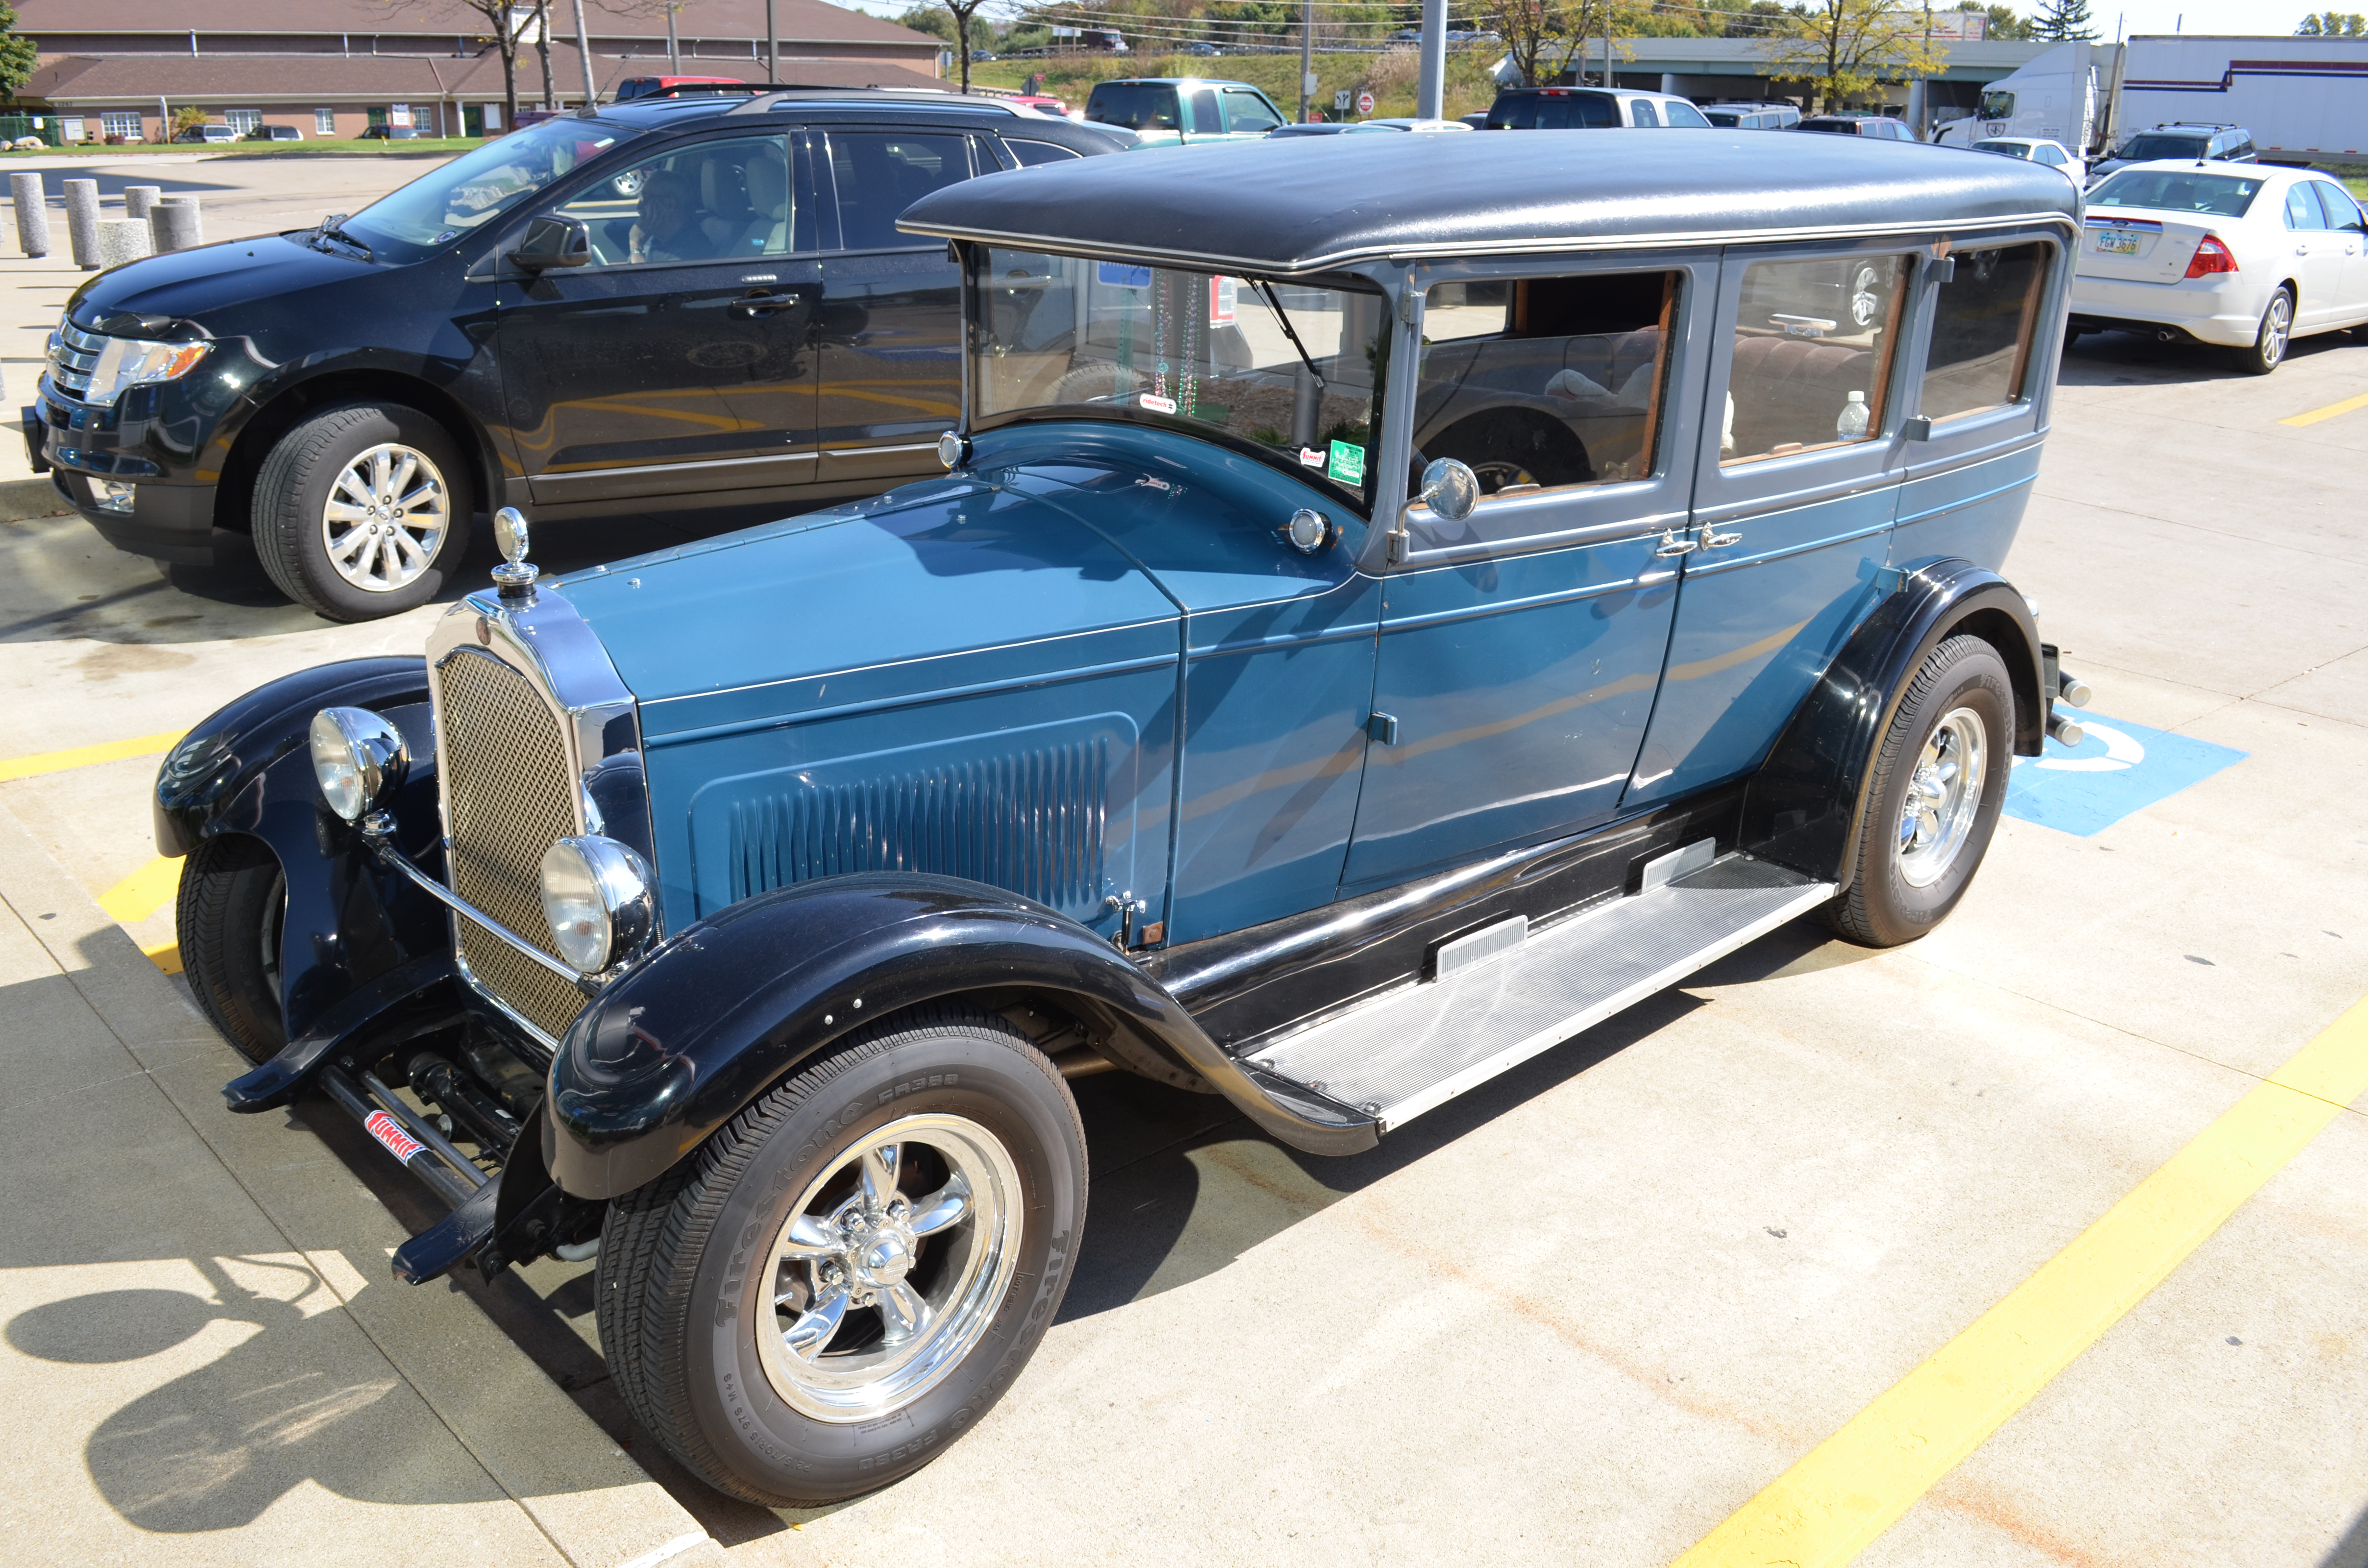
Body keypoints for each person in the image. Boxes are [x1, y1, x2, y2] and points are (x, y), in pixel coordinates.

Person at [629, 172, 709, 264]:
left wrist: (636, 246)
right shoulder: (657, 239)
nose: (639, 207)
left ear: (670, 204)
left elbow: (643, 274)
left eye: (645, 199)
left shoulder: (689, 252)